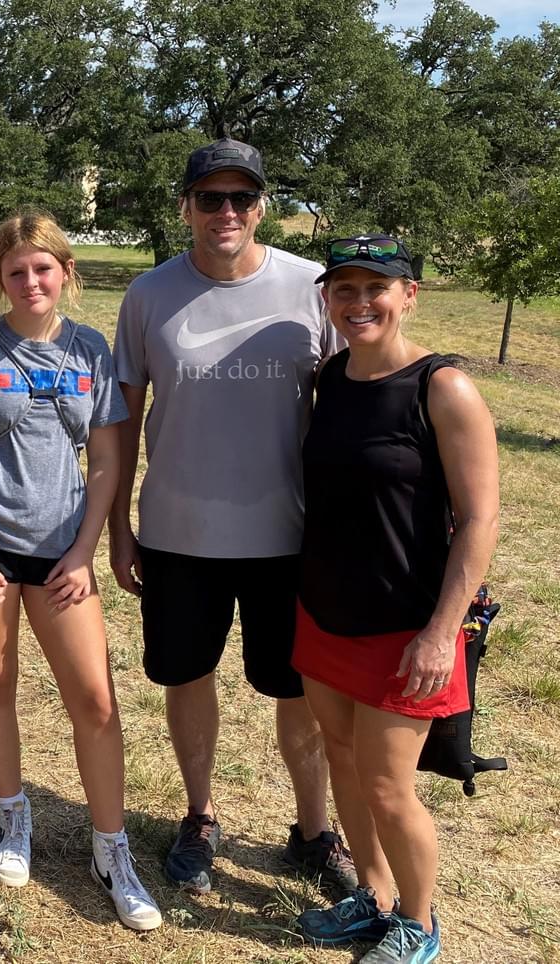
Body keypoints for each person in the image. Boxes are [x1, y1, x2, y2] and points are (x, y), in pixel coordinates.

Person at [109, 138, 356, 896]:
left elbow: (352, 399)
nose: (226, 212)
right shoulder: (149, 295)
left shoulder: (309, 288)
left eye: (240, 198)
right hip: (180, 534)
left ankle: (314, 834)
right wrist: (118, 523)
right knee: (188, 676)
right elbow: (122, 415)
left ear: (262, 207)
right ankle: (200, 816)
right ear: (184, 206)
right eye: (209, 198)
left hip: (289, 536)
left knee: (300, 693)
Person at [0, 211, 164, 931]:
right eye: (15, 270)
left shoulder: (91, 351)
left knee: (93, 699)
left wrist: (85, 551)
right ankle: (13, 820)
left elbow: (107, 462)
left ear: (66, 272)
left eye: (43, 268)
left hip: (65, 552)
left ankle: (110, 849)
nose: (30, 281)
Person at [293, 236, 498, 964]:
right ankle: (372, 897)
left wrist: (442, 632)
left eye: (375, 287)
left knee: (387, 787)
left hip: (405, 625)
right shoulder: (330, 378)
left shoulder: (443, 389)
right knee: (343, 760)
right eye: (342, 289)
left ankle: (419, 923)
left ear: (410, 294)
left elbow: (479, 519)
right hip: (324, 613)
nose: (358, 303)